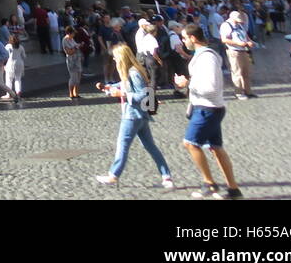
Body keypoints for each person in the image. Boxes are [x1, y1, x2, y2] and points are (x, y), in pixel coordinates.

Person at [174, 23, 242, 200]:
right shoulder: (201, 56)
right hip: (207, 106)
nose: (183, 41)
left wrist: (187, 84)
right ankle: (234, 190)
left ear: (193, 38)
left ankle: (209, 183)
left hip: (208, 107)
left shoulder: (207, 57)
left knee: (190, 143)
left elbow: (211, 87)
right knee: (216, 148)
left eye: (184, 38)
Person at [94, 44, 174, 190]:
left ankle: (113, 175)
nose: (114, 59)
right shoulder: (133, 71)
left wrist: (122, 95)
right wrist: (109, 87)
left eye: (116, 56)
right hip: (140, 115)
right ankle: (166, 176)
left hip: (132, 115)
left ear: (122, 57)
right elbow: (124, 84)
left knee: (122, 146)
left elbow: (142, 94)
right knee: (150, 146)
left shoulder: (133, 73)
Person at [219, 11, 256, 99]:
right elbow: (224, 40)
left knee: (246, 71)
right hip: (234, 51)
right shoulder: (226, 26)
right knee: (237, 72)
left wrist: (250, 41)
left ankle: (248, 91)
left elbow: (245, 35)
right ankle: (238, 92)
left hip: (244, 50)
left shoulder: (238, 25)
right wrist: (237, 43)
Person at [134, 19, 162, 114]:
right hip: (150, 59)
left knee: (149, 79)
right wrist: (159, 60)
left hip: (146, 58)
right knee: (153, 80)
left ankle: (149, 100)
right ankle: (151, 102)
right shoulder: (152, 39)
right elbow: (154, 52)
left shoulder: (145, 37)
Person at [4, 31, 27, 104]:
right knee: (18, 79)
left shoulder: (8, 46)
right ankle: (18, 93)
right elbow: (24, 56)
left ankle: (9, 94)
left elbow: (5, 55)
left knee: (8, 79)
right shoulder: (20, 47)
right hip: (19, 63)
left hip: (10, 64)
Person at [62, 26, 82, 100]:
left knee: (78, 76)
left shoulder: (72, 39)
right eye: (73, 33)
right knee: (73, 77)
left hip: (77, 59)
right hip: (71, 60)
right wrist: (76, 47)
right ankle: (71, 93)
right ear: (69, 33)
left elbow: (75, 46)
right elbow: (69, 52)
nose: (74, 35)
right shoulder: (65, 40)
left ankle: (76, 92)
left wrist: (78, 45)